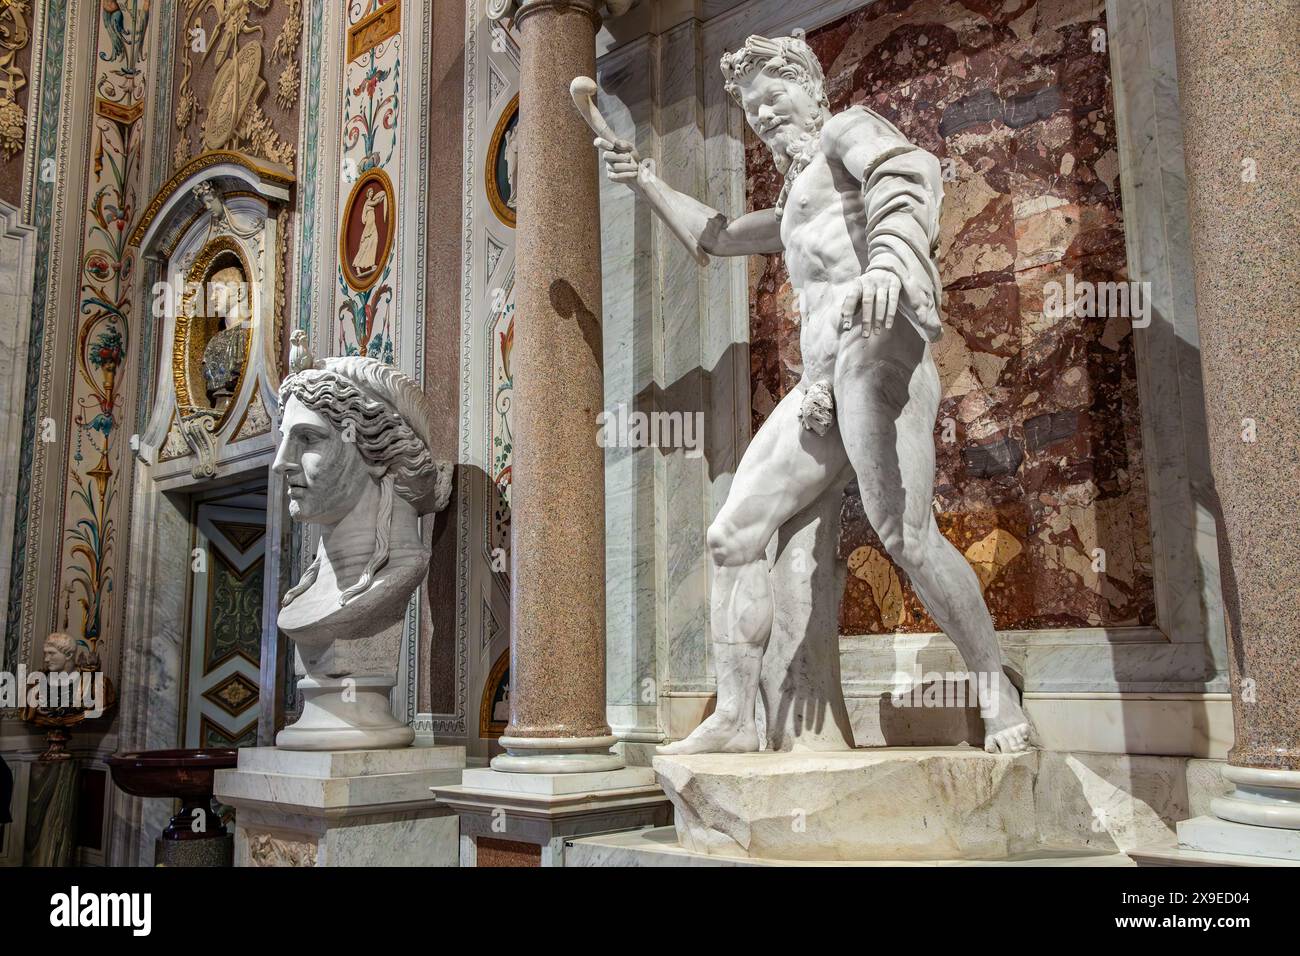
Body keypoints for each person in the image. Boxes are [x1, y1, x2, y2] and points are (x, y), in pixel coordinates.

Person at [596, 32, 1031, 755]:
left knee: (906, 538)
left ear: (812, 89)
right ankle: (736, 717)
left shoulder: (844, 132)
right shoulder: (799, 195)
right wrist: (643, 179)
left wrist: (890, 261)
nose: (766, 115)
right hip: (820, 388)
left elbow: (907, 171)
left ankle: (992, 687)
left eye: (775, 97)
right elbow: (721, 236)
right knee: (730, 537)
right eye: (754, 109)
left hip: (880, 354)